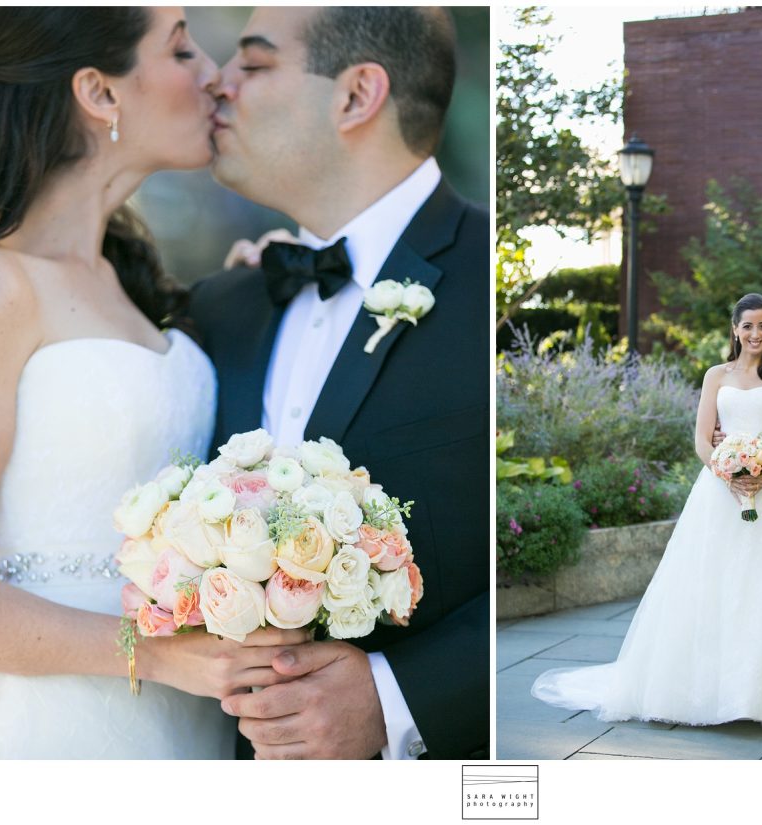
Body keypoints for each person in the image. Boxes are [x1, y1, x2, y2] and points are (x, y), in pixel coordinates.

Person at [0, 6, 310, 759]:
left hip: (187, 724)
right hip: (54, 730)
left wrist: (254, 297)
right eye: (181, 50)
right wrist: (158, 655)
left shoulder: (133, 287)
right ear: (100, 93)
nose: (215, 76)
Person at [187, 6, 489, 759]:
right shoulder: (223, 305)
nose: (216, 82)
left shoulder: (491, 278)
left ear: (357, 95)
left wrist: (396, 700)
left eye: (254, 63)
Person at [531, 293, 762, 726]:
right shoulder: (716, 375)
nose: (755, 334)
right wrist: (726, 472)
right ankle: (708, 688)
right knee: (711, 580)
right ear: (735, 330)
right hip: (719, 492)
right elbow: (700, 439)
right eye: (747, 326)